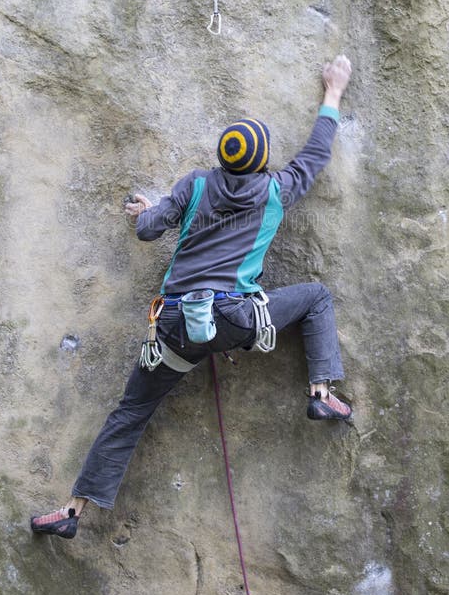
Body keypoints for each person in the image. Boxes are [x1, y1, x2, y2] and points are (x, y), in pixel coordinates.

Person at [30, 55, 353, 539]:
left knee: (132, 411)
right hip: (235, 320)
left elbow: (147, 230)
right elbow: (314, 156)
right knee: (317, 297)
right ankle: (322, 394)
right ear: (262, 163)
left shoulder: (195, 184)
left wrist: (152, 210)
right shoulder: (275, 191)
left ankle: (74, 510)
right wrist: (333, 94)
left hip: (176, 329)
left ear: (223, 157)